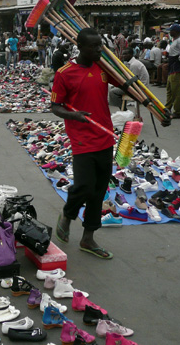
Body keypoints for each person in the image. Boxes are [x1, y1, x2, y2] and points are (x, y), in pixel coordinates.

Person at [52, 28, 117, 260]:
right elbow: (55, 106)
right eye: (94, 46)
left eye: (100, 45)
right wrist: (74, 115)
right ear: (80, 47)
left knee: (99, 191)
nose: (99, 49)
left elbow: (126, 83)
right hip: (82, 139)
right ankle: (67, 215)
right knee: (84, 186)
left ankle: (88, 238)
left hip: (105, 136)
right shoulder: (64, 73)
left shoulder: (104, 67)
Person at [165, 25, 180, 119]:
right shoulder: (175, 41)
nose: (169, 33)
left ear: (175, 31)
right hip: (173, 68)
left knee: (176, 91)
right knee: (170, 89)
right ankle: (167, 108)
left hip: (177, 68)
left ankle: (177, 111)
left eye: (171, 31)